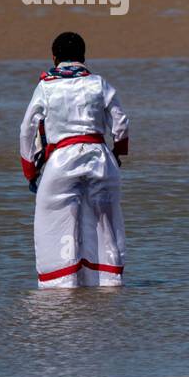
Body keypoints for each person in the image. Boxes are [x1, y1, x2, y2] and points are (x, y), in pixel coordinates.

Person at [18, 31, 129, 288]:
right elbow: (121, 122)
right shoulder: (99, 83)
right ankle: (109, 284)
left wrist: (30, 170)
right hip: (100, 159)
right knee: (106, 226)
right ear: (84, 56)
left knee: (56, 226)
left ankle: (62, 289)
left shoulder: (46, 87)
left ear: (54, 57)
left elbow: (26, 130)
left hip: (62, 162)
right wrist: (117, 152)